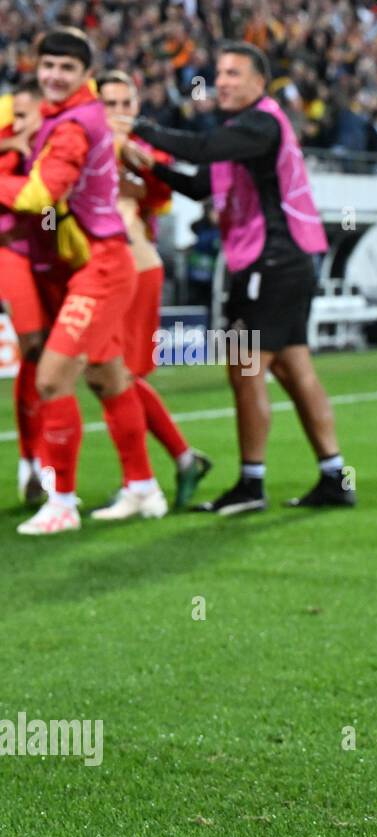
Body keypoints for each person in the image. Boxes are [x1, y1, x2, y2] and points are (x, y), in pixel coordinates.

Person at [127, 41, 353, 513]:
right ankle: (334, 476)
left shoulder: (261, 123)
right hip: (286, 262)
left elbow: (203, 148)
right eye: (219, 73)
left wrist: (139, 128)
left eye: (234, 73)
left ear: (258, 82)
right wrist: (153, 166)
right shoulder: (247, 134)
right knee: (294, 369)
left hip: (267, 265)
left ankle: (252, 484)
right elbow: (199, 181)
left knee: (244, 369)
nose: (223, 81)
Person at [0, 28, 165, 535]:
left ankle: (62, 502)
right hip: (95, 262)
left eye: (66, 69)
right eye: (47, 65)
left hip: (101, 267)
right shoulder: (62, 117)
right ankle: (143, 488)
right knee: (108, 378)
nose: (53, 75)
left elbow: (36, 199)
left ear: (84, 76)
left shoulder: (72, 126)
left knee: (50, 379)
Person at [100, 70, 212, 509]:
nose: (119, 113)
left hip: (135, 268)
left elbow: (159, 201)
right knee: (113, 376)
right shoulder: (88, 145)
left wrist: (141, 179)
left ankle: (141, 484)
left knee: (116, 375)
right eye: (109, 104)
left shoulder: (140, 150)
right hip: (107, 270)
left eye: (126, 104)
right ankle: (177, 463)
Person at [0, 80, 46, 506]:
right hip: (9, 254)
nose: (20, 123)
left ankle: (36, 460)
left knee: (42, 356)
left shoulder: (57, 146)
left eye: (26, 115)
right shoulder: (7, 148)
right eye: (15, 115)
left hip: (46, 258)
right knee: (33, 347)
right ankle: (31, 462)